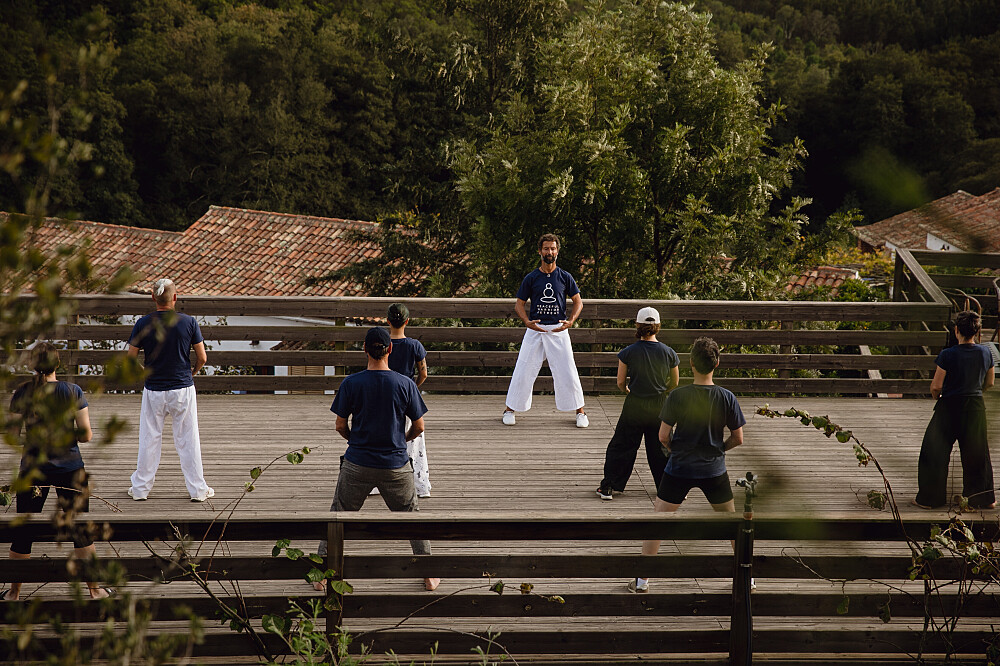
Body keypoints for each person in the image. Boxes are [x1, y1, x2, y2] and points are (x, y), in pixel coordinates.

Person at [318, 327, 439, 591]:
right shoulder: (405, 384)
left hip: (357, 463)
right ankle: (429, 573)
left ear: (364, 349)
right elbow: (419, 426)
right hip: (395, 464)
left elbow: (340, 425)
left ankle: (322, 575)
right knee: (412, 516)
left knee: (338, 515)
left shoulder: (351, 383)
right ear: (390, 350)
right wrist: (402, 441)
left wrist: (354, 441)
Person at [629, 337, 746, 593]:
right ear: (717, 363)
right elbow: (738, 438)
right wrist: (718, 449)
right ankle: (748, 579)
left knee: (658, 522)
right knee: (734, 525)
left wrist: (675, 450)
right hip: (714, 470)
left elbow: (663, 436)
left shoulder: (677, 395)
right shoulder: (727, 397)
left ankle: (642, 581)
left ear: (691, 363)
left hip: (679, 468)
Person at [3, 343, 113, 601]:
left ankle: (14, 593)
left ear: (32, 365)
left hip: (33, 470)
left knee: (24, 533)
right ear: (58, 364)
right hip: (71, 469)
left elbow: (12, 436)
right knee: (81, 530)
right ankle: (95, 590)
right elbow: (86, 435)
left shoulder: (22, 393)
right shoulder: (72, 391)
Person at [126, 278, 214, 502]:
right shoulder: (189, 322)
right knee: (188, 439)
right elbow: (202, 357)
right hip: (182, 388)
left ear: (153, 298)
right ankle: (198, 490)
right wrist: (193, 372)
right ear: (175, 297)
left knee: (149, 439)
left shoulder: (143, 323)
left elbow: (131, 357)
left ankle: (140, 489)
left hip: (154, 389)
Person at [502, 233, 588, 428]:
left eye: (553, 248)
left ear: (557, 251)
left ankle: (580, 412)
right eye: (546, 248)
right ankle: (509, 410)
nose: (550, 252)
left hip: (558, 330)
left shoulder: (565, 277)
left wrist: (571, 321)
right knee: (523, 370)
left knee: (568, 371)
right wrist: (527, 322)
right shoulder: (531, 278)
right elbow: (519, 304)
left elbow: (578, 302)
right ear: (540, 251)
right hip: (536, 330)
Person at [913, 311, 996, 510]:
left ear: (956, 330)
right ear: (977, 331)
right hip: (975, 406)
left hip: (949, 406)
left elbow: (936, 386)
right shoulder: (986, 353)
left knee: (934, 450)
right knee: (977, 453)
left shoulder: (948, 354)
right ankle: (982, 499)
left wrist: (938, 398)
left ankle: (930, 499)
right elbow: (990, 382)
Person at [596, 307, 679, 500]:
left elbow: (620, 382)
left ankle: (609, 487)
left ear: (637, 325)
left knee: (622, 445)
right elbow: (674, 382)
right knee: (663, 446)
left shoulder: (628, 352)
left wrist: (627, 390)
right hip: (659, 404)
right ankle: (669, 488)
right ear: (658, 326)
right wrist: (662, 390)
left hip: (635, 403)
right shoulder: (669, 352)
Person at [387, 303, 431, 498]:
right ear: (407, 321)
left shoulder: (383, 344)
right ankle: (420, 486)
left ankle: (376, 483)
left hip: (386, 396)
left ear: (388, 321)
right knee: (415, 442)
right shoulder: (414, 345)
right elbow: (424, 373)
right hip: (408, 396)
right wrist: (413, 387)